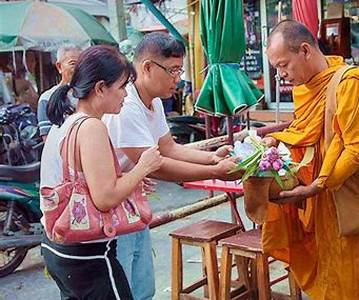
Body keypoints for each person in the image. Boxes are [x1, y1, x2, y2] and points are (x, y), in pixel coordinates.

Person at [261, 20, 359, 299]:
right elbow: (309, 130)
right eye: (276, 69)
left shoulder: (351, 83)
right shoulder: (308, 88)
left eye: (283, 65)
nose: (281, 75)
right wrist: (278, 139)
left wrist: (315, 187)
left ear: (305, 50)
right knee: (339, 280)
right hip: (333, 207)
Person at [102, 32, 237, 300]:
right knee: (124, 287)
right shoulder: (127, 105)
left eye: (180, 70)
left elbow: (168, 148)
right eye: (173, 70)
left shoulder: (153, 102)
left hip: (133, 203)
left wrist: (213, 156)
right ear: (148, 68)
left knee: (142, 288)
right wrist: (215, 171)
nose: (178, 78)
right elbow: (156, 165)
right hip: (111, 209)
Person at [40, 45, 162, 300]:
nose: (125, 95)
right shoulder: (91, 126)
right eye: (121, 87)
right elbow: (105, 197)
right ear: (100, 88)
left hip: (58, 249)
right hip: (88, 255)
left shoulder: (64, 122)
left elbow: (85, 181)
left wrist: (134, 179)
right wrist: (143, 167)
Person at [38, 45, 82, 140]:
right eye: (73, 63)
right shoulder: (47, 98)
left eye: (82, 64)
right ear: (59, 67)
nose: (78, 68)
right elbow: (48, 138)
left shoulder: (89, 94)